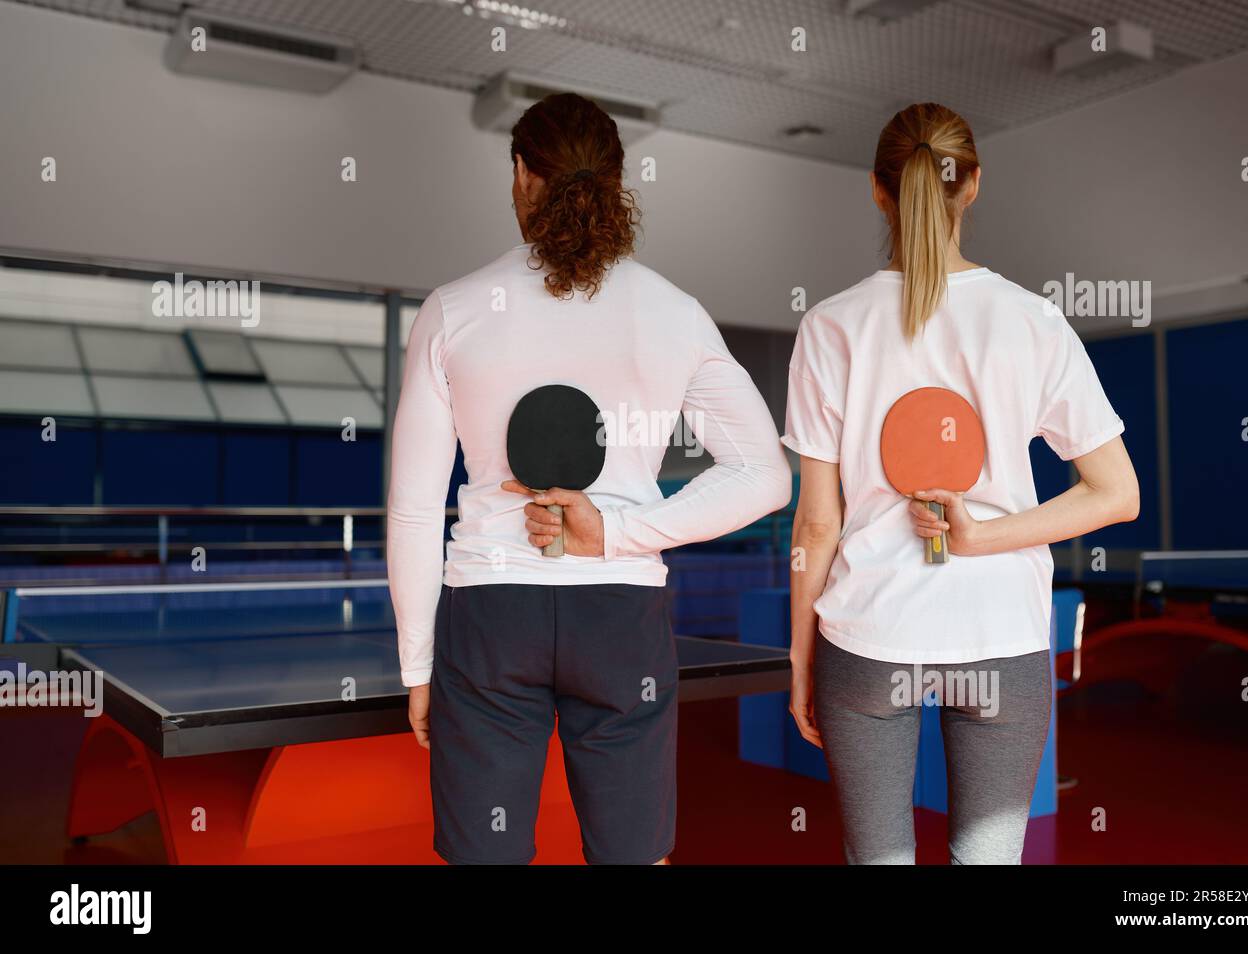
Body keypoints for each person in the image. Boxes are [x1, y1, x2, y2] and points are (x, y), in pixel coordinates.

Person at [387, 93, 790, 866]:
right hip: (621, 620)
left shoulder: (453, 310)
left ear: (520, 176)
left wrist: (416, 665)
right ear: (616, 181)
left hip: (490, 618)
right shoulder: (672, 312)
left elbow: (412, 509)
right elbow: (765, 475)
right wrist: (618, 532)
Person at [784, 102, 1139, 865]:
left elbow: (817, 523)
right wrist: (985, 535)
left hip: (868, 641)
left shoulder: (831, 325)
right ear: (971, 186)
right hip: (999, 640)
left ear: (878, 191)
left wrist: (801, 657)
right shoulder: (1035, 321)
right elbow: (1116, 493)